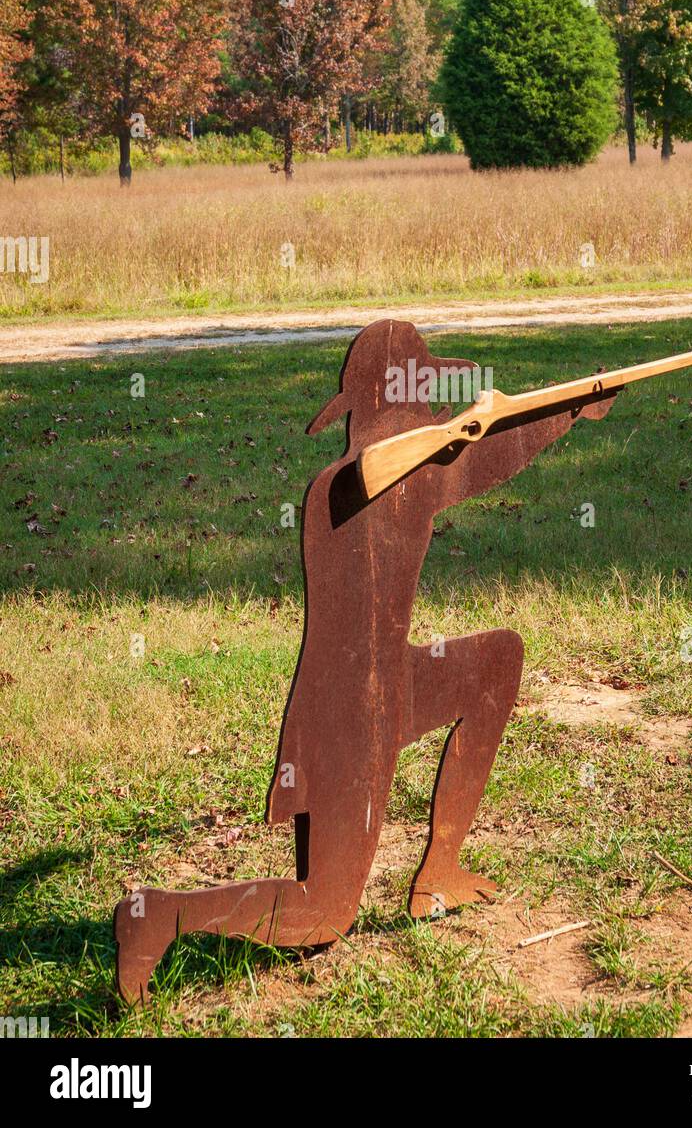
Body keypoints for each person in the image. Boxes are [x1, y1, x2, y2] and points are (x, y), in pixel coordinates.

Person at [115, 319, 618, 1003]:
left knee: (496, 660)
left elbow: (475, 458)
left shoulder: (390, 480)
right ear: (397, 399)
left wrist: (564, 409)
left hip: (396, 679)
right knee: (325, 914)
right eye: (422, 393)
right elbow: (464, 463)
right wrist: (545, 417)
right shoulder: (363, 486)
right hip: (347, 715)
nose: (434, 407)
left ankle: (437, 873)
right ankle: (157, 916)